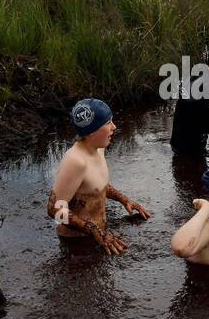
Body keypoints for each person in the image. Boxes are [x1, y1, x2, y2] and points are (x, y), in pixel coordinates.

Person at [47, 98, 151, 255]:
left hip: (99, 235)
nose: (114, 127)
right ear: (91, 131)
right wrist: (94, 230)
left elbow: (95, 186)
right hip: (76, 244)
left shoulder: (98, 149)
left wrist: (125, 200)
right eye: (108, 123)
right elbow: (54, 210)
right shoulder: (76, 161)